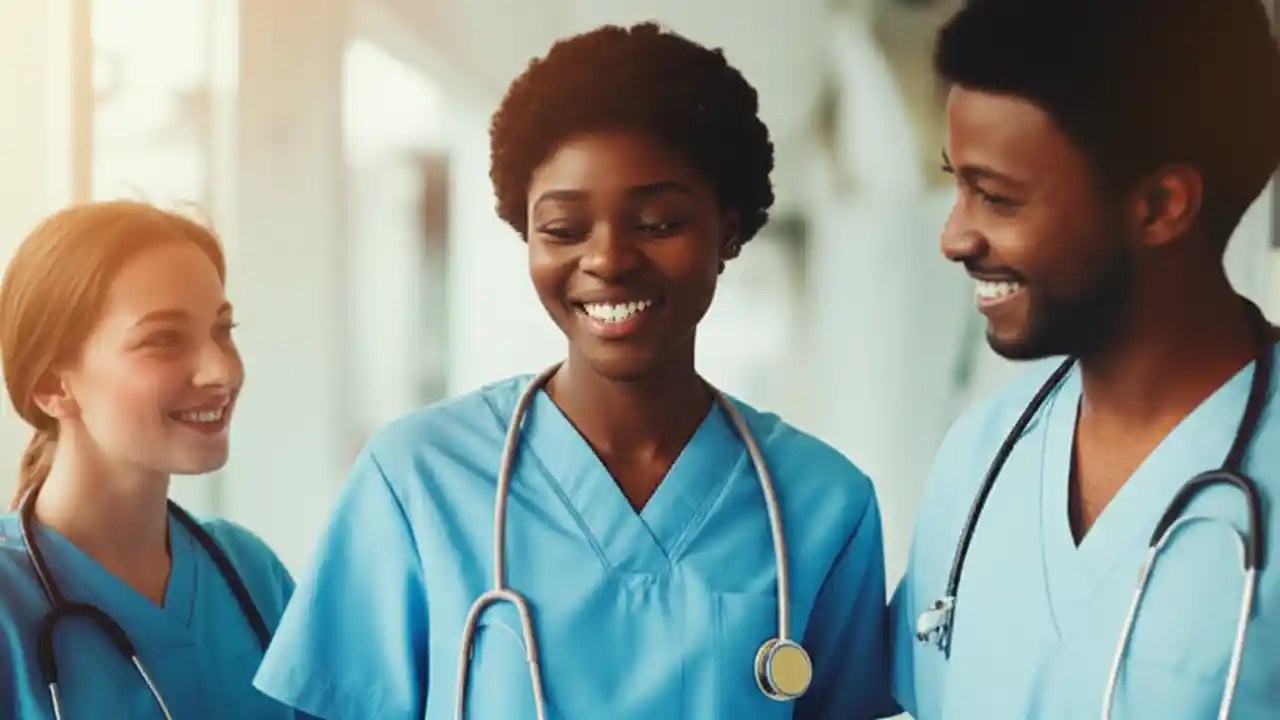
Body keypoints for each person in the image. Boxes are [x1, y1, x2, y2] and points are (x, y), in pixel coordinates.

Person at [254, 22, 897, 720]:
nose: (609, 259)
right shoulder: (418, 479)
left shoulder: (823, 503)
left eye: (656, 222)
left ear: (730, 229)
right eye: (563, 229)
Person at [890, 1, 1280, 717]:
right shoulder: (981, 455)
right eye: (956, 184)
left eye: (995, 198)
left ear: (1160, 206)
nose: (954, 237)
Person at [0, 202, 302, 719]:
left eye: (222, 330)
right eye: (163, 340)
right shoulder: (10, 600)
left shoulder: (249, 571)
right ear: (54, 385)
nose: (220, 371)